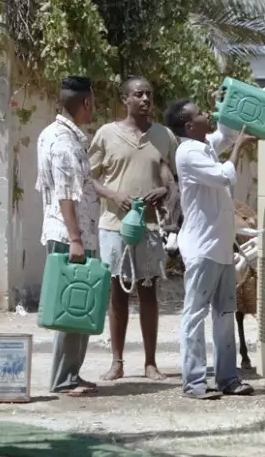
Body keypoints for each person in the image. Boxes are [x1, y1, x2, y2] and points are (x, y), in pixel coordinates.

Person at [164, 95, 256, 399]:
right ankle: (194, 382)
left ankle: (227, 378)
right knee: (194, 315)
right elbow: (223, 176)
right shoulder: (188, 153)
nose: (206, 115)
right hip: (203, 249)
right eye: (201, 112)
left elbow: (224, 134)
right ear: (190, 125)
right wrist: (240, 147)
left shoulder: (202, 146)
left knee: (224, 313)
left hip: (219, 248)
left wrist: (227, 104)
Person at [88, 76, 178, 381]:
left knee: (149, 292)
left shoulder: (164, 136)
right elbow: (89, 177)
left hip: (150, 227)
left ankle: (150, 363)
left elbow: (173, 178)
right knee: (117, 294)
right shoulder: (106, 135)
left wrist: (163, 192)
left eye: (149, 94)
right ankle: (117, 361)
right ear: (124, 99)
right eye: (138, 94)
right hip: (115, 227)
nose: (145, 99)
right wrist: (114, 195)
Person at [35, 75, 100, 397]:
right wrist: (76, 239)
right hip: (70, 235)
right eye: (93, 101)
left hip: (76, 232)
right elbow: (65, 194)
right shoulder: (62, 142)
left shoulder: (57, 134)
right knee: (71, 309)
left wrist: (111, 192)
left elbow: (82, 184)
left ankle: (72, 373)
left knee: (80, 306)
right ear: (86, 103)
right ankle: (63, 379)